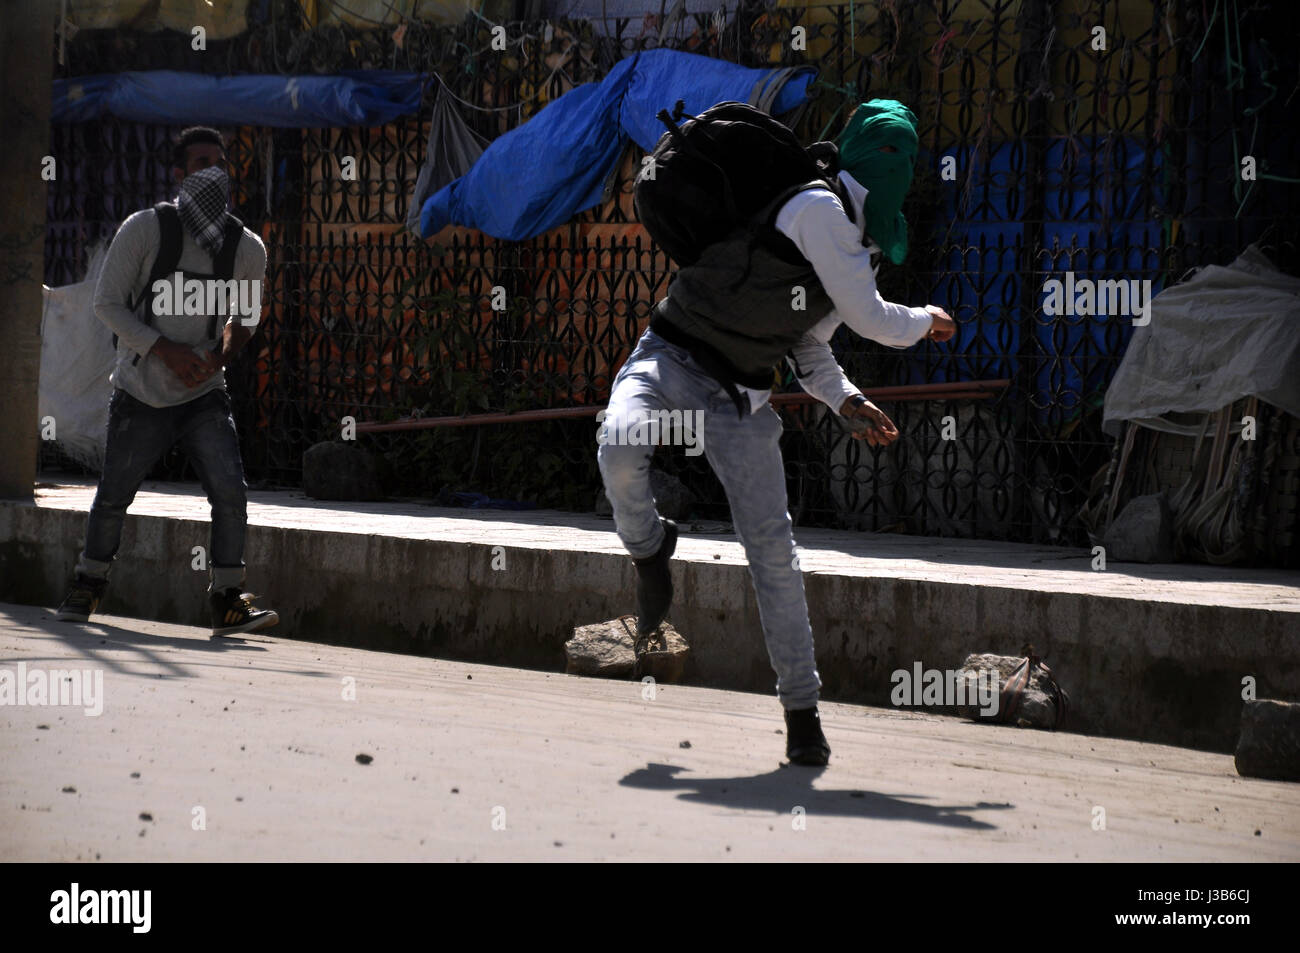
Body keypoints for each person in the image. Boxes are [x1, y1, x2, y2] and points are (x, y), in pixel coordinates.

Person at [598, 100, 957, 765]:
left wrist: (846, 400)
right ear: (865, 158)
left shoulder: (856, 246)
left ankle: (802, 711)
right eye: (891, 156)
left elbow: (807, 345)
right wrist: (924, 318)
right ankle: (650, 551)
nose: (899, 171)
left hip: (741, 398)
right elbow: (873, 318)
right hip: (672, 355)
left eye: (907, 159)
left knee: (773, 553)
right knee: (619, 443)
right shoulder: (819, 209)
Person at [55, 126, 278, 638]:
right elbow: (106, 304)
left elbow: (245, 319)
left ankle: (226, 599)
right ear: (179, 176)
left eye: (219, 163)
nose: (212, 173)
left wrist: (217, 356)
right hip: (140, 389)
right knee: (114, 494)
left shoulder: (246, 247)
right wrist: (165, 350)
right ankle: (88, 584)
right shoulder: (145, 230)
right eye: (201, 163)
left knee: (229, 490)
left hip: (204, 391)